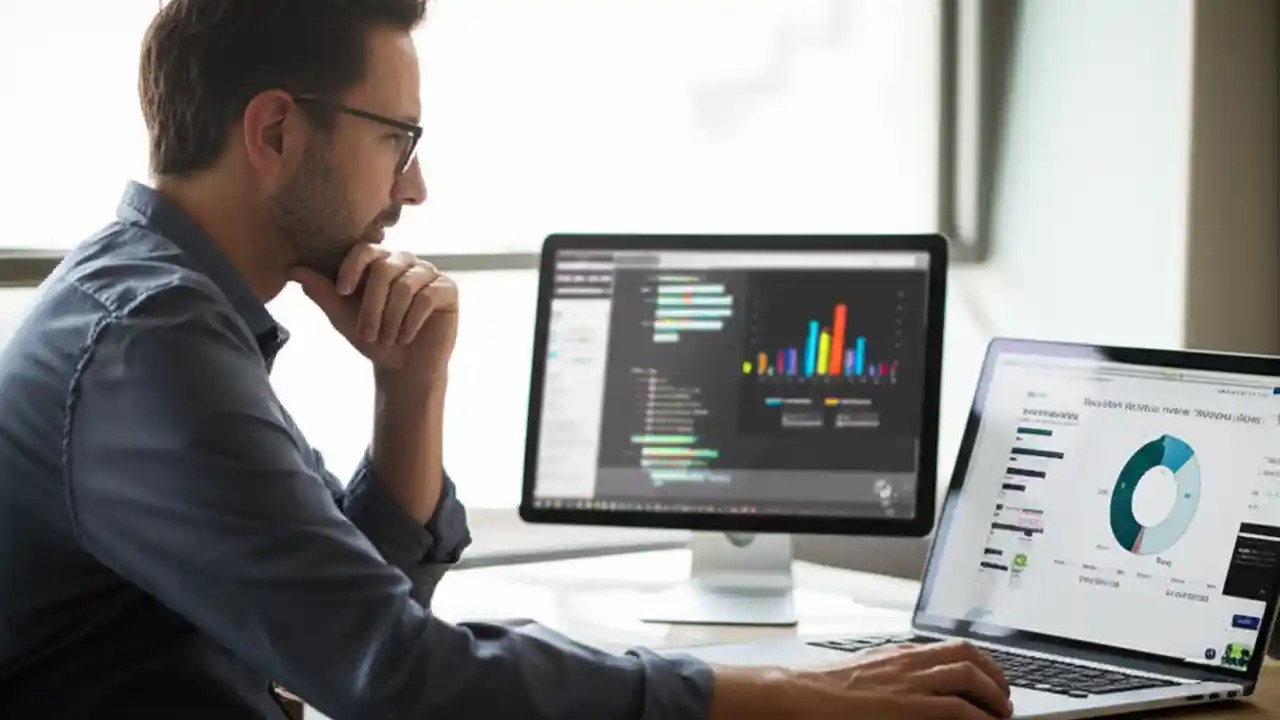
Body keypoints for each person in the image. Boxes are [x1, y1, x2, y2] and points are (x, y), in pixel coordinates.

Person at [0, 1, 1012, 718]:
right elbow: (391, 677)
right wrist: (796, 698)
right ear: (273, 130)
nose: (417, 185)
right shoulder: (148, 347)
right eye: (397, 138)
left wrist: (410, 389)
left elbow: (347, 621)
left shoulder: (162, 313)